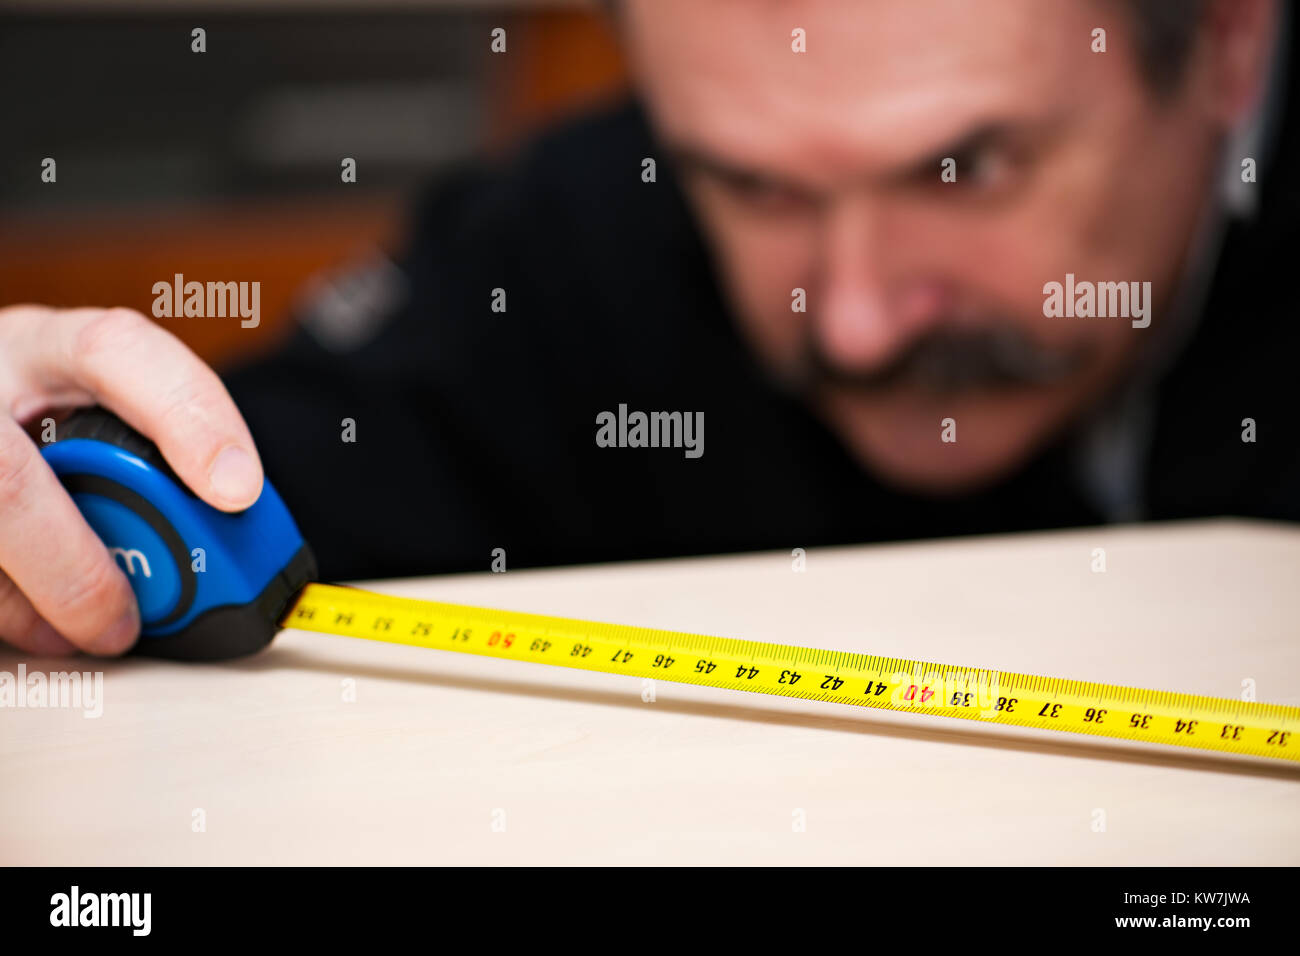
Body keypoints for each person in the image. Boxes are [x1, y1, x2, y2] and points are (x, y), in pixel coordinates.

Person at [0, 0, 1291, 657]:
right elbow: (209, 502)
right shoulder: (565, 241)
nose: (847, 324)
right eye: (753, 187)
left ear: (1230, 40)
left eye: (961, 172)